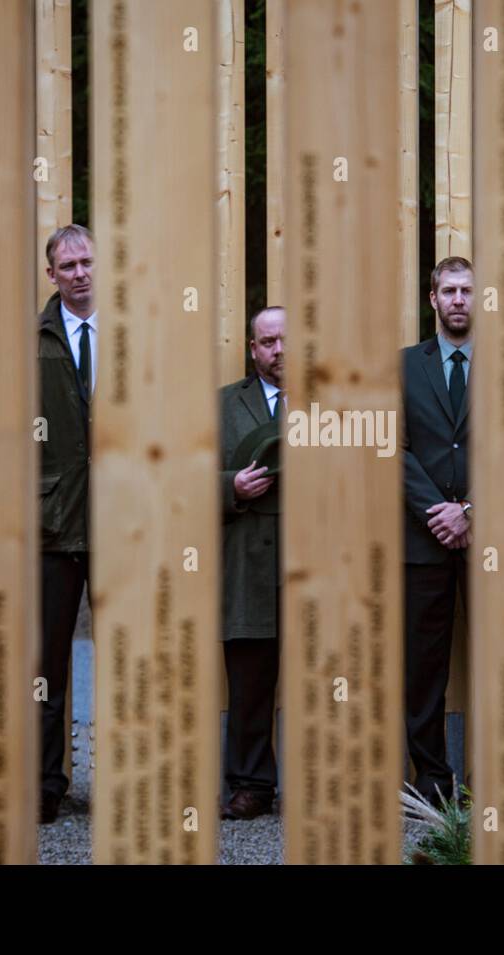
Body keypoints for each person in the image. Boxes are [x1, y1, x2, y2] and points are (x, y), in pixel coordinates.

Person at [401, 256, 474, 806]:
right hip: (423, 539)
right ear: (432, 299)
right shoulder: (404, 366)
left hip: (486, 539)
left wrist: (470, 509)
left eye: (466, 291)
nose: (457, 300)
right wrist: (440, 512)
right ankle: (431, 781)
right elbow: (393, 447)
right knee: (424, 668)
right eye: (447, 290)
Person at [36, 224, 96, 824]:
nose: (80, 274)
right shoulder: (33, 341)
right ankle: (45, 783)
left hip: (119, 524)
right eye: (68, 266)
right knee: (45, 664)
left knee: (130, 656)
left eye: (87, 263)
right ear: (51, 274)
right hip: (51, 525)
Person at [218, 306, 286, 820]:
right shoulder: (221, 405)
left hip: (313, 562)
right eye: (267, 342)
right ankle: (250, 784)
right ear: (252, 349)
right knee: (249, 683)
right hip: (246, 560)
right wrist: (230, 487)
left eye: (286, 340)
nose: (278, 350)